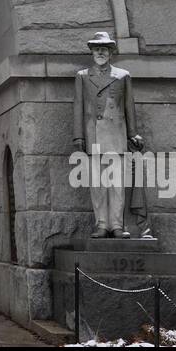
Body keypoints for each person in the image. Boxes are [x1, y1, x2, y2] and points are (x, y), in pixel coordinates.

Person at [72, 31, 143, 238]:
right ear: (92, 52)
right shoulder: (83, 76)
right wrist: (78, 136)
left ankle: (117, 225)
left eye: (104, 49)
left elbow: (129, 107)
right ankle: (101, 224)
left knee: (116, 184)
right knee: (97, 184)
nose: (100, 52)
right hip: (93, 134)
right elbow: (78, 106)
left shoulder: (122, 75)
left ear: (111, 52)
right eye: (96, 49)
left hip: (116, 135)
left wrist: (133, 133)